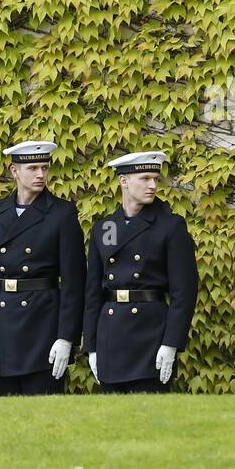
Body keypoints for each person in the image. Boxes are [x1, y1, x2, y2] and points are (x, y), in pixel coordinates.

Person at [0, 140, 85, 395]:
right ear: (14, 171)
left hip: (43, 326)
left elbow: (73, 283)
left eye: (44, 168)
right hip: (2, 327)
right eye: (33, 168)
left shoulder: (62, 213)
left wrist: (66, 337)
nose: (40, 175)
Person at [83, 151, 198, 393]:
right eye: (145, 178)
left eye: (156, 178)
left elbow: (183, 293)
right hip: (111, 337)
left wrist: (171, 343)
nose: (153, 185)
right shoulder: (107, 227)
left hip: (150, 337)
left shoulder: (170, 226)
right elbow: (93, 291)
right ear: (124, 181)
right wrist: (91, 346)